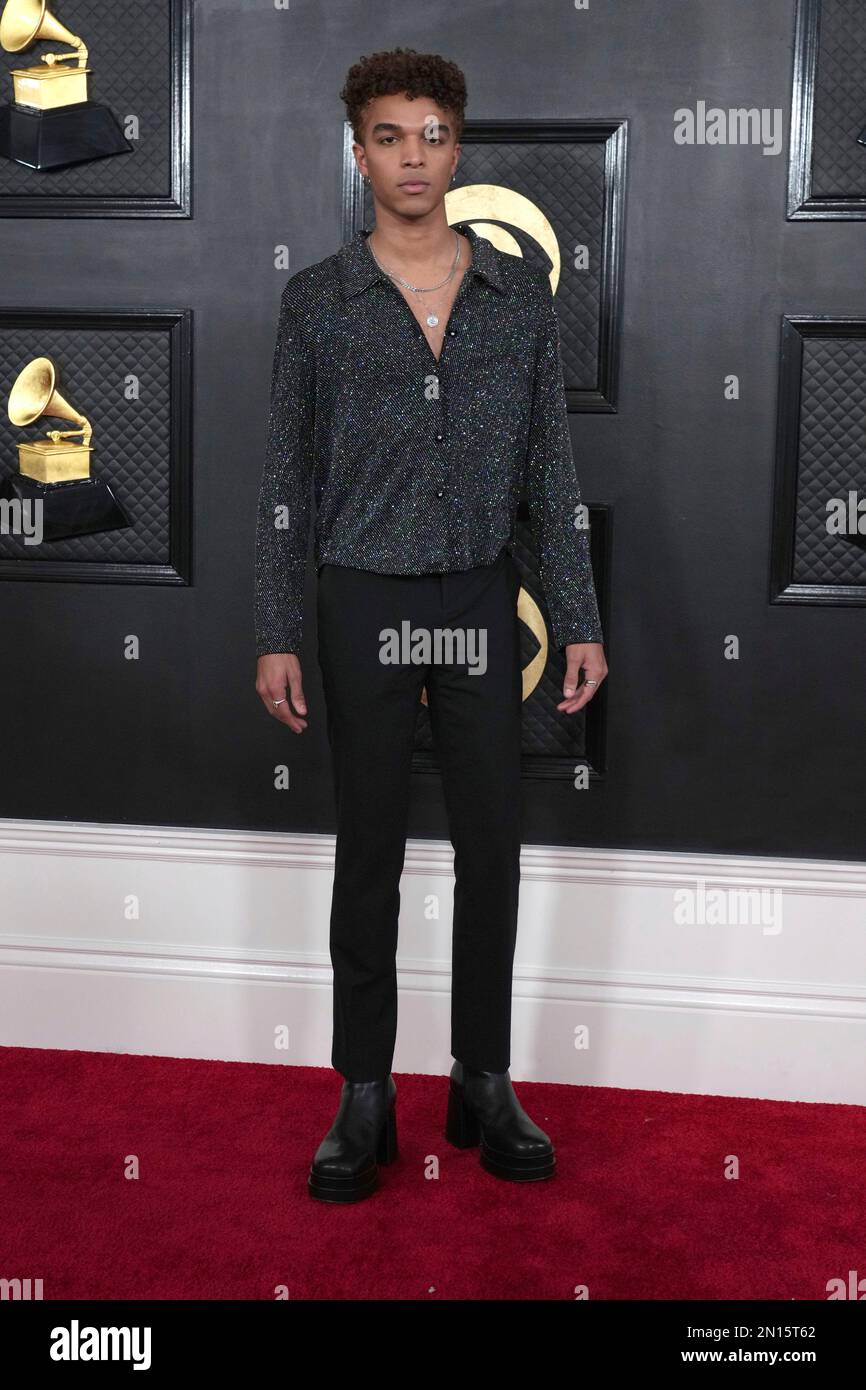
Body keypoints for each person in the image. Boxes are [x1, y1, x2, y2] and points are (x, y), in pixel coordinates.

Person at [254, 47, 608, 1202]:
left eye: (434, 135)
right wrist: (276, 627)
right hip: (359, 596)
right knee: (367, 852)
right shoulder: (315, 300)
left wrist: (577, 616)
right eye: (390, 137)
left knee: (490, 847)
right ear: (358, 152)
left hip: (474, 601)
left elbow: (549, 470)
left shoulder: (516, 296)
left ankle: (481, 1075)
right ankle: (364, 1092)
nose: (413, 157)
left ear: (459, 147)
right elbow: (285, 481)